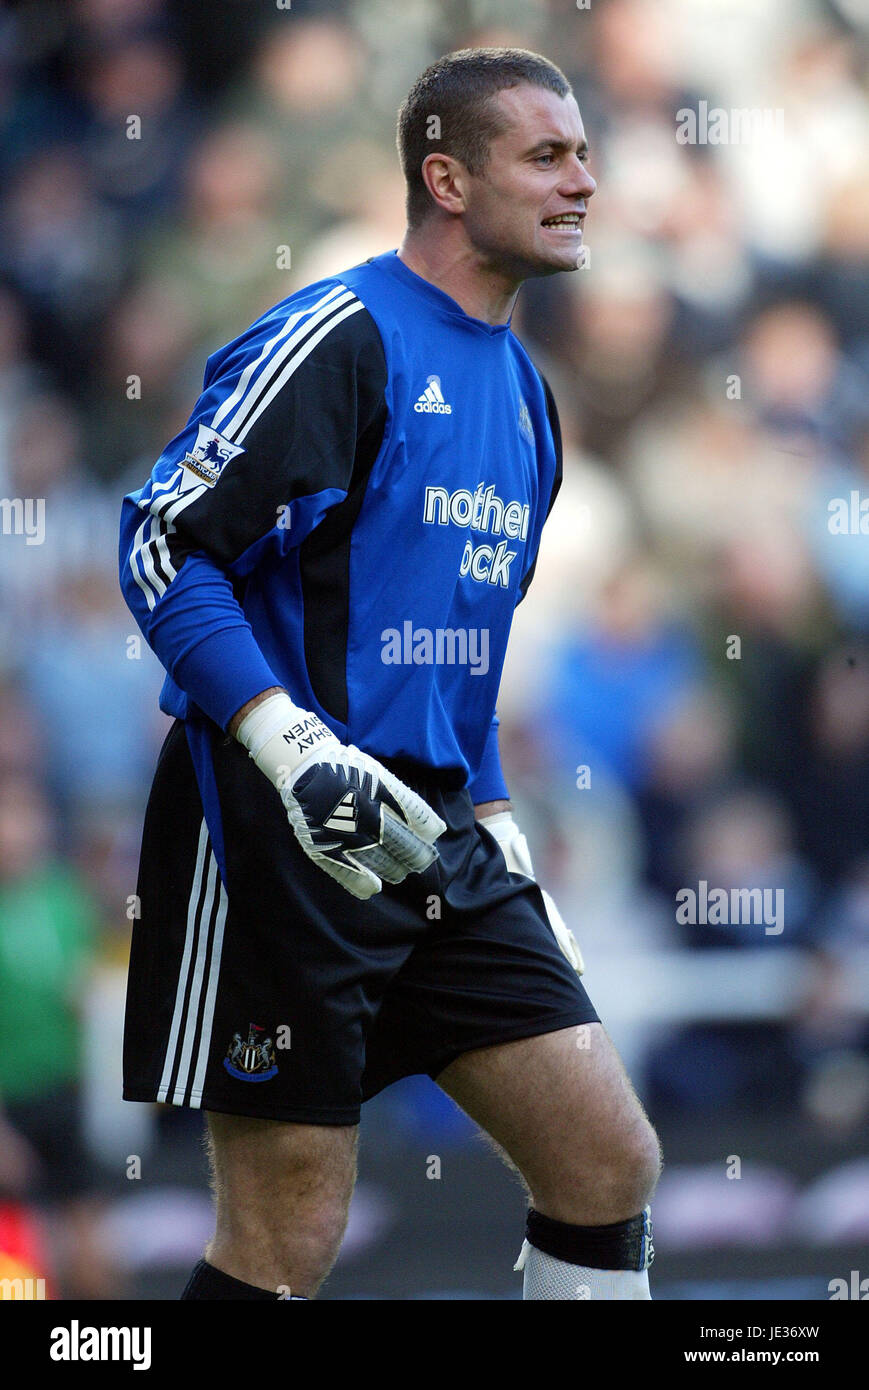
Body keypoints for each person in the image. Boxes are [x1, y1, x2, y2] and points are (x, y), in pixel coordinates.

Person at [119, 47, 661, 1301]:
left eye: (581, 151)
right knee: (285, 1242)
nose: (584, 178)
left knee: (604, 1161)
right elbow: (162, 537)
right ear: (446, 178)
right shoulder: (338, 334)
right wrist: (288, 746)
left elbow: (454, 662)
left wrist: (500, 830)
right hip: (269, 827)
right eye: (547, 154)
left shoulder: (528, 398)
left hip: (435, 835)